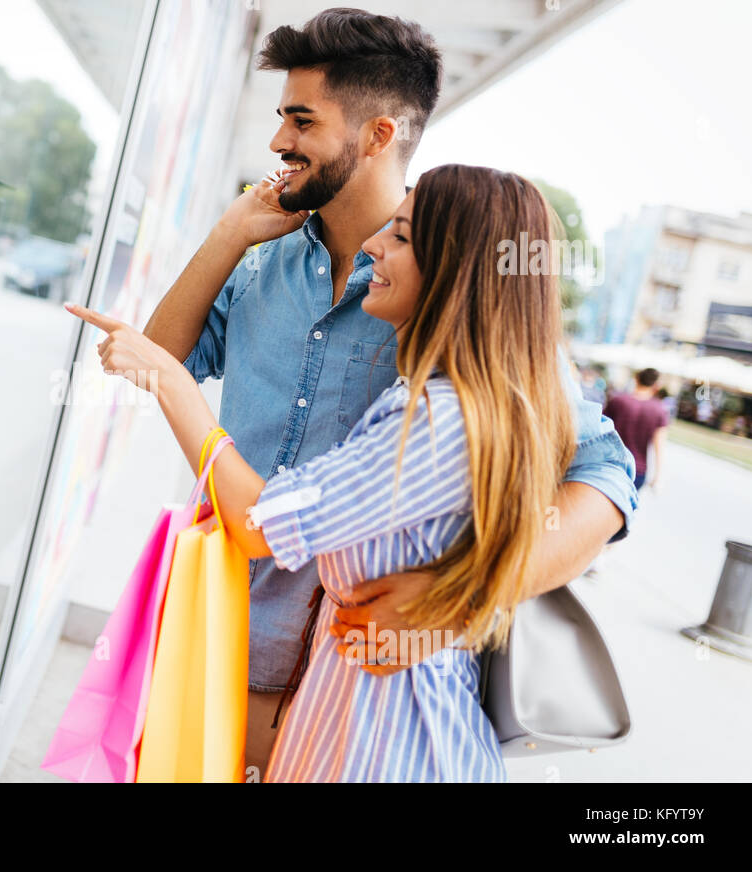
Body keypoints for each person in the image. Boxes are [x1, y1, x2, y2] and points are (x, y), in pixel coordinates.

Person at [132, 8, 637, 775]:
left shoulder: (457, 294)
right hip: (221, 643)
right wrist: (226, 236)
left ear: (377, 135)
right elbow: (158, 363)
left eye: (302, 121)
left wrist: (458, 601)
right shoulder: (261, 259)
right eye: (280, 118)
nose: (278, 143)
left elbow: (605, 477)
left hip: (362, 688)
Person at [69, 164, 597, 781]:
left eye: (400, 236)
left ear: (459, 272)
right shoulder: (448, 401)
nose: (375, 246)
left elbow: (258, 522)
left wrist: (171, 383)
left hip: (393, 749)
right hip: (357, 732)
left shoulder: (438, 418)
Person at [604, 368, 670, 492]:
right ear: (656, 386)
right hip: (637, 472)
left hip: (609, 464)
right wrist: (657, 476)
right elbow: (659, 446)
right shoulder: (660, 410)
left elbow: (601, 430)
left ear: (637, 379)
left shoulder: (618, 401)